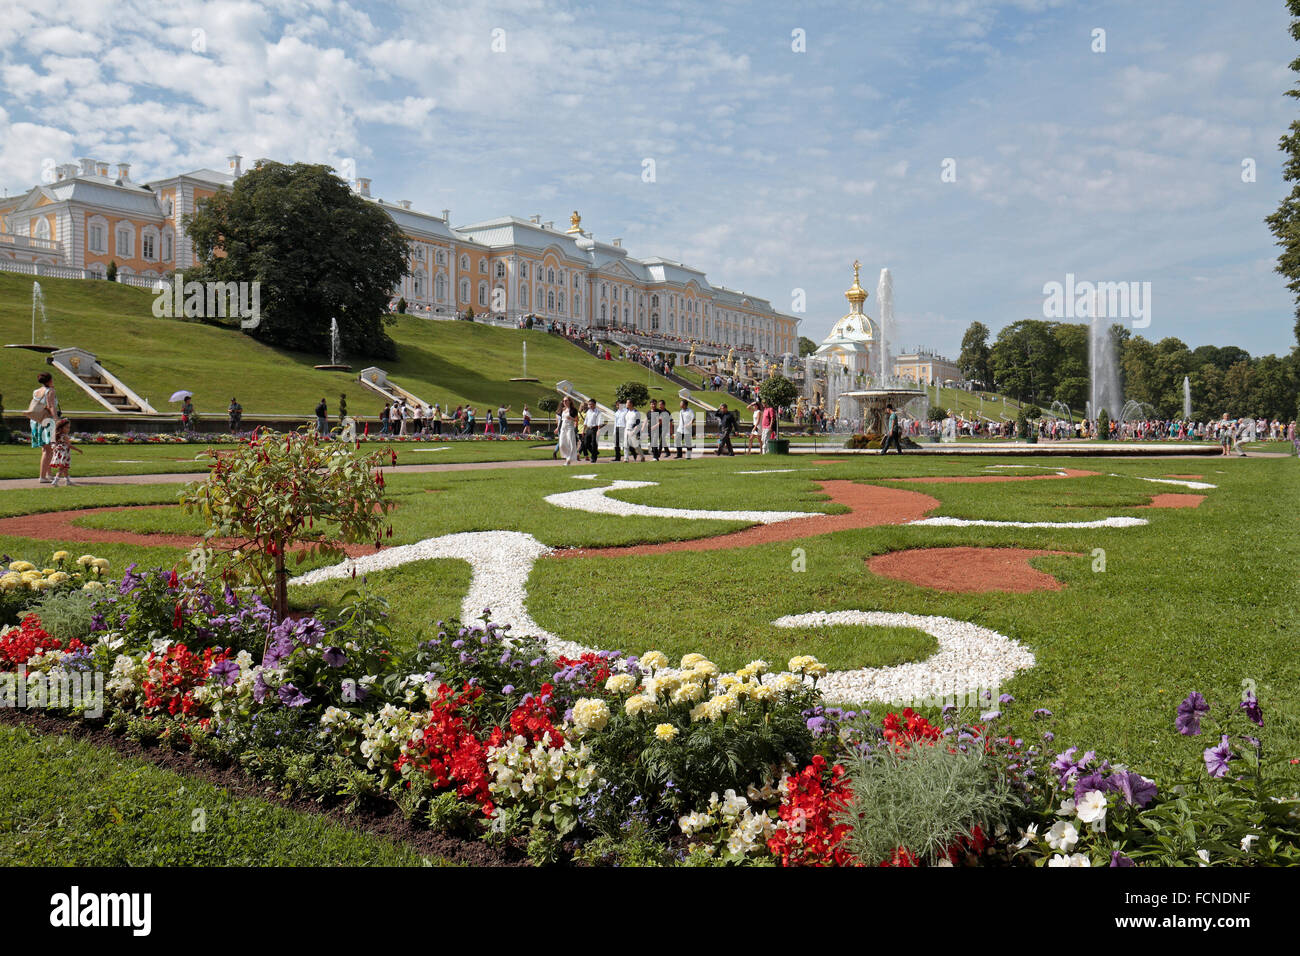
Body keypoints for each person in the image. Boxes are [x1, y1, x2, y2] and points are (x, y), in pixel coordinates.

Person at [27, 371, 59, 483]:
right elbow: (51, 406)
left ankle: (48, 473)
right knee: (48, 449)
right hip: (47, 420)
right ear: (50, 380)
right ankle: (42, 476)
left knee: (46, 449)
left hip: (36, 421)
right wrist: (56, 420)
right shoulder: (50, 391)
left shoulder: (36, 391)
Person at [48, 418, 82, 487]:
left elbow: (53, 444)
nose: (68, 429)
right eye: (67, 427)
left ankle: (67, 481)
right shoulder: (65, 436)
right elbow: (69, 445)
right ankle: (55, 481)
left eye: (69, 427)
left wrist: (54, 448)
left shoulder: (58, 435)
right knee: (61, 469)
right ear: (61, 428)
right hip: (64, 455)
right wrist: (78, 450)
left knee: (65, 468)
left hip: (60, 454)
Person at [556, 397, 579, 465]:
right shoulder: (563, 410)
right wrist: (557, 428)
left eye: (566, 401)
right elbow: (561, 420)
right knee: (562, 444)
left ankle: (568, 459)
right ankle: (567, 456)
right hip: (563, 428)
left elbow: (577, 420)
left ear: (570, 401)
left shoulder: (573, 410)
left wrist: (571, 418)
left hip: (570, 428)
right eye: (563, 401)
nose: (564, 402)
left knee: (570, 443)